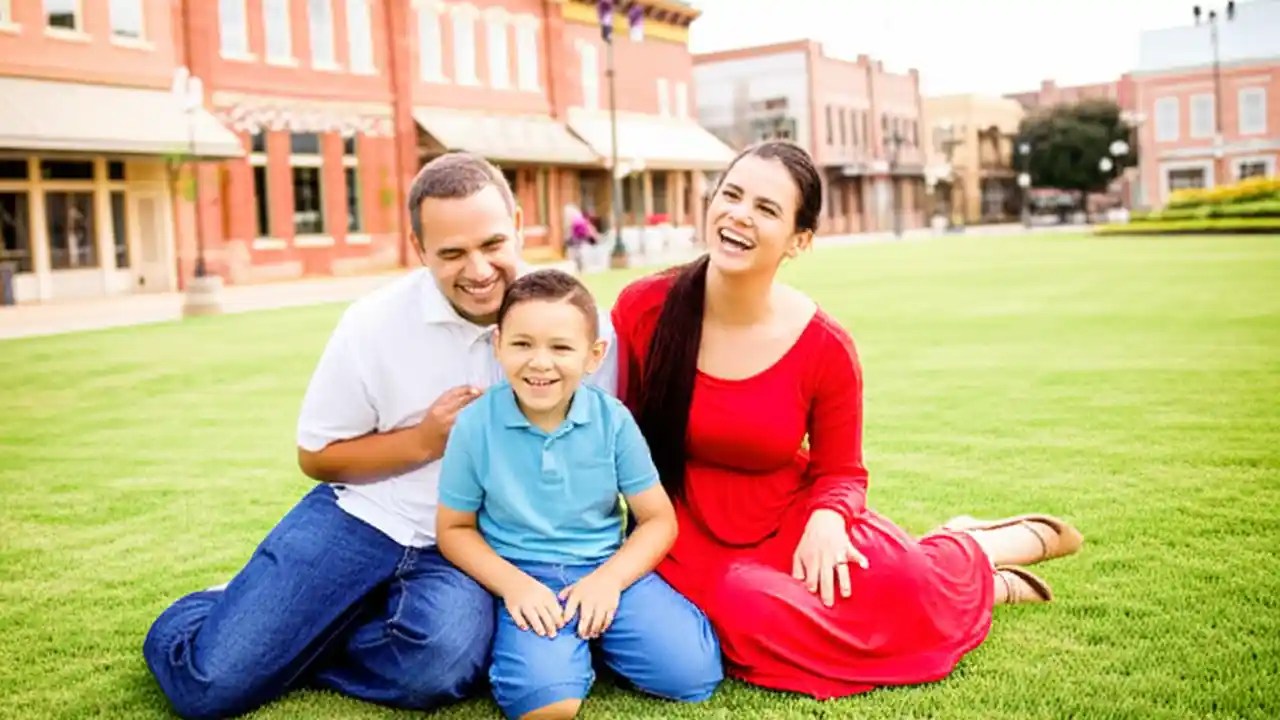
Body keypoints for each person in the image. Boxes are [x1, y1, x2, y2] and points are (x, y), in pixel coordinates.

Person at [142, 152, 619, 719]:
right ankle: (212, 609)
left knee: (439, 667)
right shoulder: (372, 323)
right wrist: (423, 440)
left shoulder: (577, 325)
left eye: (492, 244)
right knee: (209, 687)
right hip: (365, 514)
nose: (479, 269)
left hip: (465, 545)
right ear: (419, 250)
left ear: (517, 224)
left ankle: (304, 634)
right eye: (452, 253)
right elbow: (316, 456)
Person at [609, 139, 1085, 700]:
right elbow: (608, 431)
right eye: (731, 194)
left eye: (767, 209)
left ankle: (968, 553)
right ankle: (981, 569)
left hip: (793, 515)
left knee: (904, 585)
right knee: (749, 608)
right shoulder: (644, 310)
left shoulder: (824, 346)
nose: (739, 214)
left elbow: (841, 471)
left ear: (799, 240)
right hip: (685, 529)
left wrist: (828, 521)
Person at [435, 269, 723, 719]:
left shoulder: (613, 421)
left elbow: (657, 519)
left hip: (606, 569)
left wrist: (609, 580)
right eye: (522, 344)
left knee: (692, 676)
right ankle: (558, 653)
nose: (540, 362)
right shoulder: (476, 425)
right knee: (549, 707)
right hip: (527, 580)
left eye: (561, 347)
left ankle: (594, 634)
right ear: (498, 346)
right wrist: (515, 587)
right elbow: (453, 529)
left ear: (594, 356)